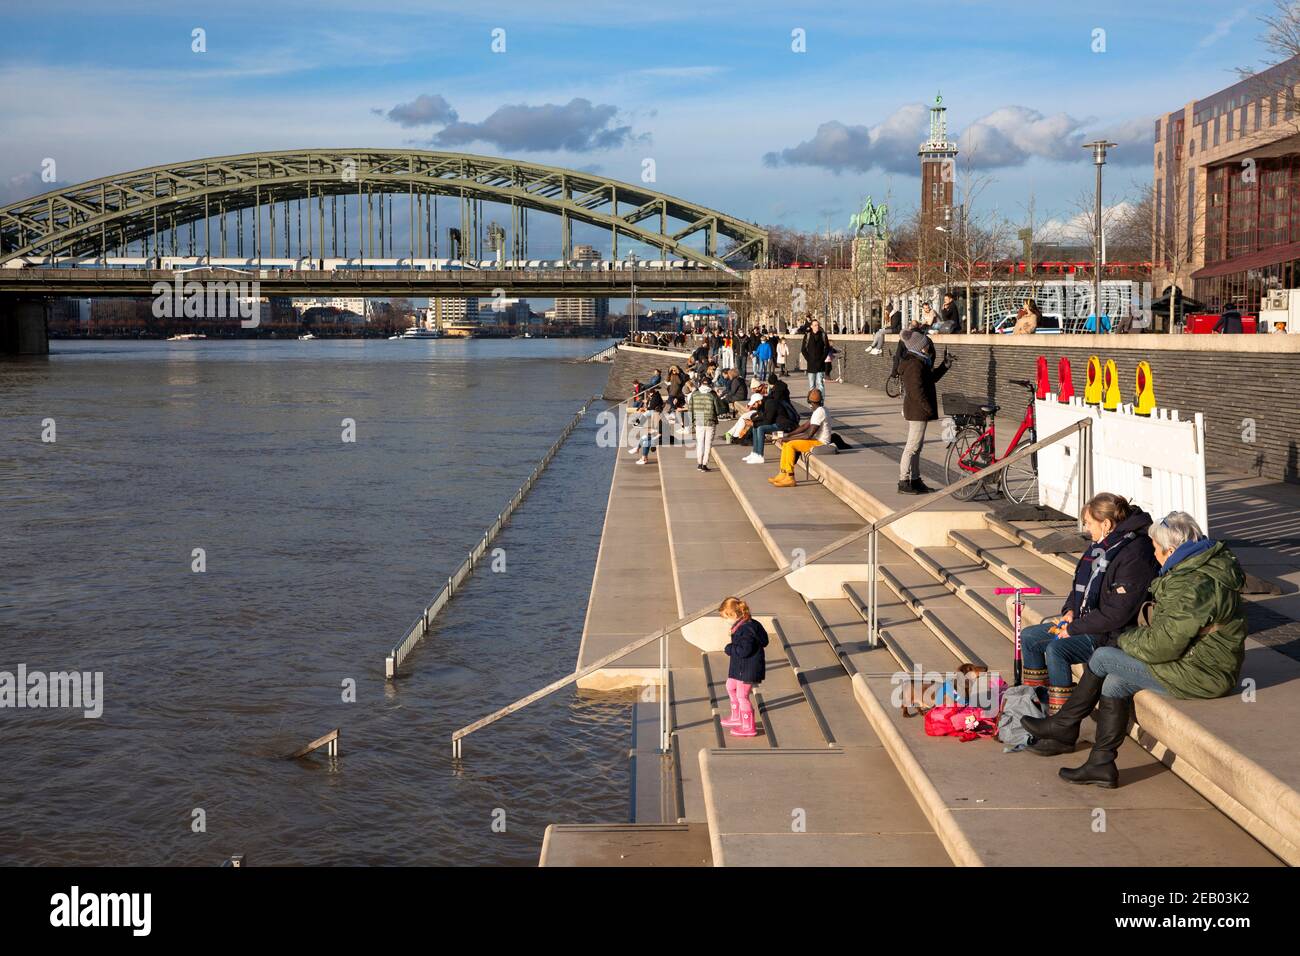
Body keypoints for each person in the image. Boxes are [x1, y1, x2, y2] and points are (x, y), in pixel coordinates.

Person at [1023, 512, 1248, 789]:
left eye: (1156, 549)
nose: (1154, 555)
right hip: (1195, 661)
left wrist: (1127, 638)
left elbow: (1162, 646)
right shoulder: (1193, 570)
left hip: (1203, 673)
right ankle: (1101, 763)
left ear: (1172, 550)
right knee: (1116, 682)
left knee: (1104, 656)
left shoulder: (1194, 585)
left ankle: (1065, 724)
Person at [1017, 494, 1158, 741]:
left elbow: (1118, 613)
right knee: (1029, 637)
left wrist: (1073, 629)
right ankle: (1035, 711)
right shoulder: (1102, 546)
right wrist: (1069, 612)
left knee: (1057, 649)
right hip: (1085, 621)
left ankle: (1063, 731)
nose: (1086, 528)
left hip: (1111, 633)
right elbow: (1079, 586)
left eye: (1089, 523)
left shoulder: (1135, 551)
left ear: (1106, 523)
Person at [896, 328, 951, 495]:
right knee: (912, 447)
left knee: (917, 447)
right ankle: (904, 481)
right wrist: (927, 408)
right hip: (916, 410)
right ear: (919, 347)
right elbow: (916, 391)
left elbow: (930, 379)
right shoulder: (914, 365)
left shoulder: (920, 361)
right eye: (926, 345)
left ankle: (915, 479)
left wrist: (944, 366)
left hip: (917, 409)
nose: (928, 347)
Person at [720, 596, 767, 737]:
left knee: (742, 695)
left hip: (747, 669)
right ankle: (736, 716)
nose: (725, 621)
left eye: (725, 617)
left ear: (733, 615)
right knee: (730, 686)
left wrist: (730, 648)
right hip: (739, 668)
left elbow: (744, 650)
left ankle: (748, 726)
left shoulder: (746, 629)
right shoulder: (744, 625)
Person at [769, 388, 831, 488]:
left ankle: (790, 477)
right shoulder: (820, 410)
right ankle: (782, 473)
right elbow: (804, 427)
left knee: (790, 445)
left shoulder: (819, 412)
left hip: (820, 443)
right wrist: (789, 435)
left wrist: (789, 439)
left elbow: (808, 435)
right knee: (787, 443)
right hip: (815, 440)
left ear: (809, 402)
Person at [742, 373, 795, 464]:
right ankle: (755, 453)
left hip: (783, 425)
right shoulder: (763, 403)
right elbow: (760, 415)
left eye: (754, 404)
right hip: (776, 423)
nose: (754, 406)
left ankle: (760, 455)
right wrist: (752, 419)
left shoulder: (770, 404)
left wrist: (754, 423)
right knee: (755, 427)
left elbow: (768, 421)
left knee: (760, 428)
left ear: (759, 401)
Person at [688, 380, 725, 472]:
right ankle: (704, 464)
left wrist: (692, 422)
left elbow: (690, 408)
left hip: (699, 418)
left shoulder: (694, 394)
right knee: (708, 443)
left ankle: (699, 463)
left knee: (700, 442)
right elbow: (719, 409)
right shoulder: (712, 394)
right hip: (710, 419)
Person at [800, 318, 832, 393]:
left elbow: (827, 348)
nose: (816, 327)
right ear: (811, 326)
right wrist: (808, 359)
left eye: (817, 325)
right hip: (811, 364)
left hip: (820, 365)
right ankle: (812, 403)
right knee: (812, 385)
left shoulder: (823, 335)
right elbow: (803, 349)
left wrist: (822, 359)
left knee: (820, 384)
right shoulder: (807, 336)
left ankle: (821, 402)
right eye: (815, 325)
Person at [634, 388, 664, 465]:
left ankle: (644, 458)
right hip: (657, 436)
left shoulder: (660, 420)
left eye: (655, 413)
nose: (654, 414)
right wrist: (649, 431)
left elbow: (660, 434)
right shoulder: (657, 418)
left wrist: (652, 436)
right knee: (644, 437)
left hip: (662, 438)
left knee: (646, 442)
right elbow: (655, 430)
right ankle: (638, 450)